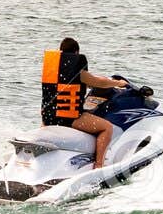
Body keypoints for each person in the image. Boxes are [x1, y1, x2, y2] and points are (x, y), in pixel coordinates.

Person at [40, 37, 126, 169]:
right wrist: (118, 83)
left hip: (48, 119)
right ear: (76, 52)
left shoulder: (53, 70)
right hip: (68, 119)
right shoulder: (76, 70)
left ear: (60, 51)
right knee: (107, 128)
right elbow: (99, 82)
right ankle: (99, 166)